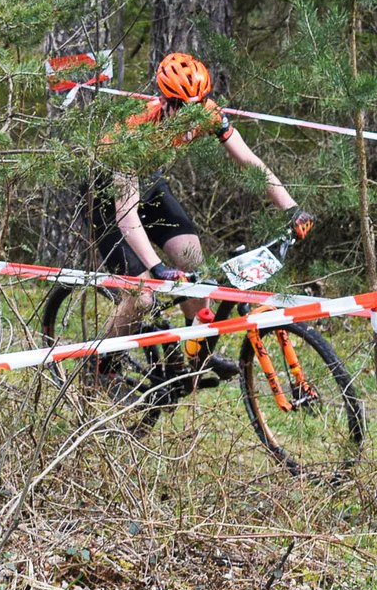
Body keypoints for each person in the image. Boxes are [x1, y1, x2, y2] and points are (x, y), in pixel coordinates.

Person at [91, 51, 311, 378]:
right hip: (111, 200)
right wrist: (157, 267)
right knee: (142, 299)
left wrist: (292, 208)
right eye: (184, 108)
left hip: (149, 185)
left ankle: (197, 356)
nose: (192, 116)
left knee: (192, 261)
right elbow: (126, 214)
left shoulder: (207, 113)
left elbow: (249, 162)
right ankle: (98, 364)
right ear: (166, 102)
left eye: (199, 105)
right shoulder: (133, 134)